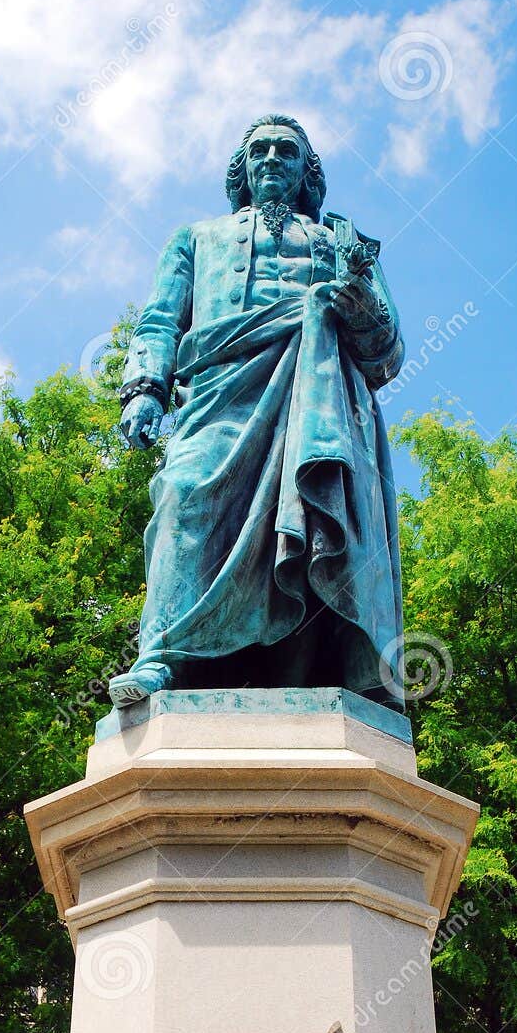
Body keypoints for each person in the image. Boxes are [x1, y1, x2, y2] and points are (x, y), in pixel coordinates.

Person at [110, 114, 406, 710]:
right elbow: (161, 320)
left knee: (313, 517)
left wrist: (358, 304)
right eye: (260, 149)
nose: (272, 158)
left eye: (287, 151)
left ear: (306, 171)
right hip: (219, 390)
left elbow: (388, 354)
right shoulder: (194, 238)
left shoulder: (344, 242)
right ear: (242, 168)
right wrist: (145, 385)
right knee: (185, 492)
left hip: (319, 399)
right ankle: (162, 657)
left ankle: (305, 679)